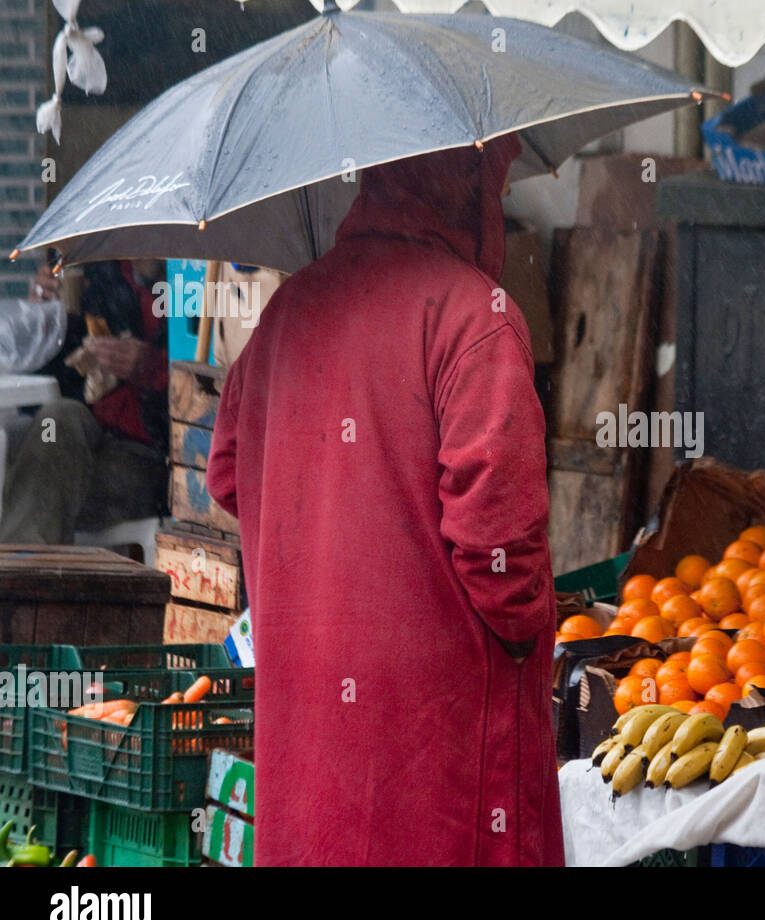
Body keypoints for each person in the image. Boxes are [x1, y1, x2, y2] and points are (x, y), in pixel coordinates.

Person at [207, 135, 564, 866]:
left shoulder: (287, 313)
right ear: (469, 182)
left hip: (308, 745)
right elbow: (502, 561)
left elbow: (227, 477)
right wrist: (529, 632)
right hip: (442, 751)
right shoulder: (475, 317)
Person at [0, 259, 168, 543]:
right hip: (80, 440)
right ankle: (23, 566)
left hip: (147, 463)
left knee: (53, 436)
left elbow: (206, 389)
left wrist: (152, 367)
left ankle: (23, 576)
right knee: (38, 431)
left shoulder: (194, 287)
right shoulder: (103, 276)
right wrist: (43, 320)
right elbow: (53, 381)